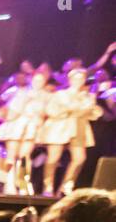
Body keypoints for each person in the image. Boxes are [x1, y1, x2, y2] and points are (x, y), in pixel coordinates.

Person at [40, 66, 102, 195]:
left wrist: (82, 107)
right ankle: (48, 186)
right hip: (60, 127)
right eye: (76, 78)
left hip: (79, 127)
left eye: (81, 79)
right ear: (70, 79)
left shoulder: (88, 96)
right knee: (53, 158)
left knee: (79, 158)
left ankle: (67, 185)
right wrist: (75, 108)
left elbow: (94, 112)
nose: (78, 81)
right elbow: (52, 110)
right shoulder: (60, 94)